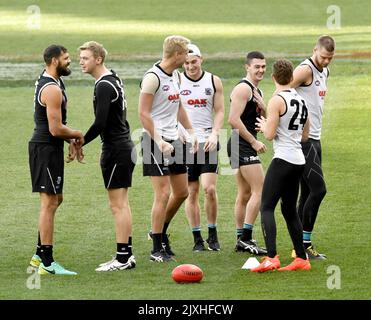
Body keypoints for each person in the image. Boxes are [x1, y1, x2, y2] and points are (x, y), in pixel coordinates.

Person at [78, 41, 136, 271]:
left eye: (85, 58)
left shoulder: (103, 85)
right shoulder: (114, 78)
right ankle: (126, 255)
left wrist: (79, 142)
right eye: (80, 58)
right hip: (123, 146)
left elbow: (100, 123)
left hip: (115, 150)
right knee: (123, 203)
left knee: (118, 206)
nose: (81, 61)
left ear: (98, 59)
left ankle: (122, 259)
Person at [139, 35, 197, 262]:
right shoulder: (152, 78)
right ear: (176, 55)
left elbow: (178, 106)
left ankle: (159, 231)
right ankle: (156, 248)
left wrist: (190, 132)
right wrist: (158, 140)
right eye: (186, 53)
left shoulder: (177, 76)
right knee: (162, 194)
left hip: (174, 140)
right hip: (155, 141)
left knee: (182, 192)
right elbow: (143, 113)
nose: (188, 58)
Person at [28, 45, 84, 275]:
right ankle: (47, 263)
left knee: (55, 199)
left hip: (49, 148)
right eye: (66, 58)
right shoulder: (52, 89)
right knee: (49, 202)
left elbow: (59, 128)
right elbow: (55, 128)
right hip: (45, 149)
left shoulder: (55, 82)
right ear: (53, 61)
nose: (69, 61)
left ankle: (39, 254)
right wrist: (77, 135)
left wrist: (68, 139)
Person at [252, 59, 311, 272]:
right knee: (289, 210)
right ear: (292, 76)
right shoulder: (301, 100)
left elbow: (269, 135)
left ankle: (271, 257)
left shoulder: (277, 100)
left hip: (283, 160)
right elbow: (305, 136)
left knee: (266, 207)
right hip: (298, 161)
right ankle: (301, 259)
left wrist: (265, 123)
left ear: (274, 77)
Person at [291, 35, 335, 260]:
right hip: (302, 141)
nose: (326, 61)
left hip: (316, 140)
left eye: (330, 58)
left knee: (307, 192)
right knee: (319, 190)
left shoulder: (324, 71)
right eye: (323, 57)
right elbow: (283, 90)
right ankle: (304, 243)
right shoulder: (305, 70)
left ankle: (298, 246)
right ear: (314, 50)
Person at [179, 44, 225, 252]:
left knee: (210, 189)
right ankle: (197, 238)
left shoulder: (214, 81)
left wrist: (215, 133)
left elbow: (220, 110)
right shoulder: (177, 81)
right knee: (191, 192)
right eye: (186, 63)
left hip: (208, 140)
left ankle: (212, 232)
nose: (190, 67)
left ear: (201, 59)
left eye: (194, 62)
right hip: (186, 143)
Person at [227, 51, 267, 255]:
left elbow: (265, 120)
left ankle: (240, 238)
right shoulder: (243, 89)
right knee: (260, 189)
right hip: (241, 143)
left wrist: (264, 107)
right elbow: (233, 119)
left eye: (263, 66)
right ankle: (246, 238)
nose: (260, 70)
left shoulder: (256, 91)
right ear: (247, 67)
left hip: (239, 144)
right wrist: (253, 142)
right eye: (256, 66)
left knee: (244, 194)